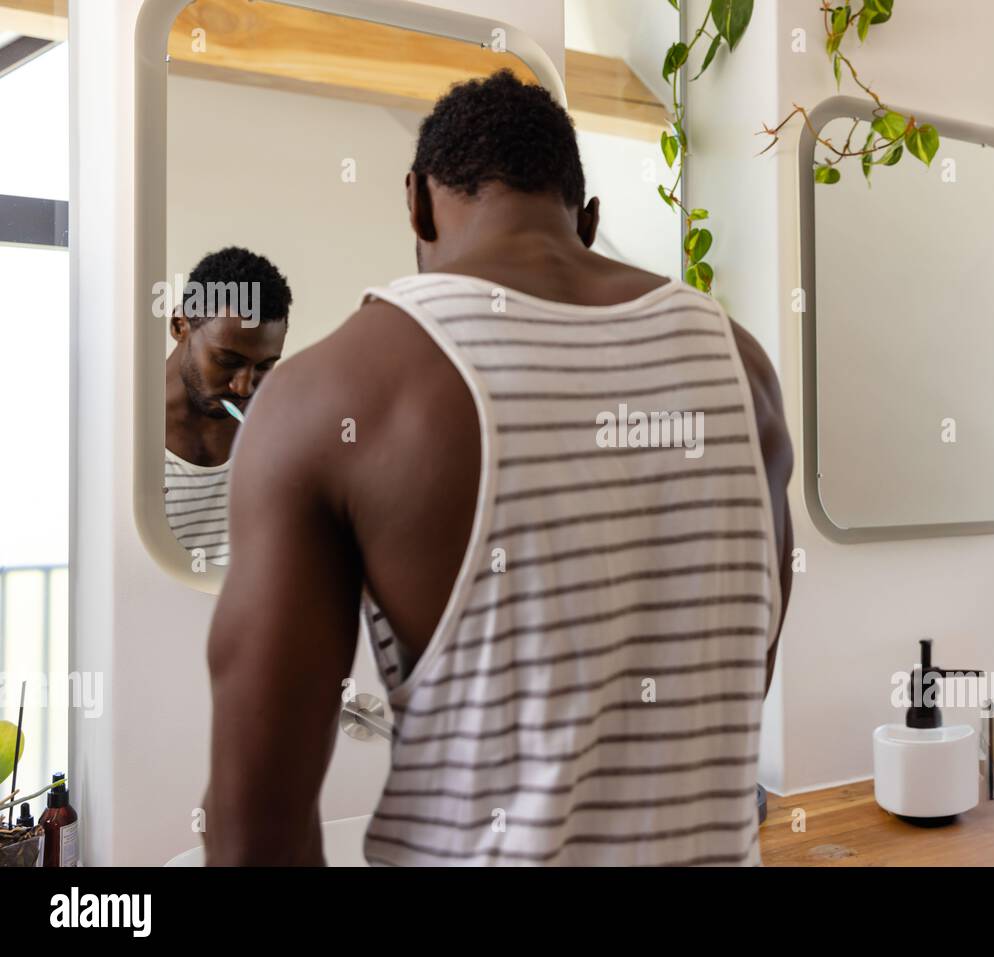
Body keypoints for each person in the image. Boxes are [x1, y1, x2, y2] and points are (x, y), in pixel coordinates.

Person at [203, 70, 793, 865]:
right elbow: (729, 687)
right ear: (587, 220)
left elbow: (254, 829)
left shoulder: (326, 396)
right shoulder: (743, 371)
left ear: (415, 202)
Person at [164, 247, 292, 566]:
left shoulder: (276, 425)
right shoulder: (119, 432)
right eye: (227, 361)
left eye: (264, 366)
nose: (244, 387)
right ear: (181, 325)